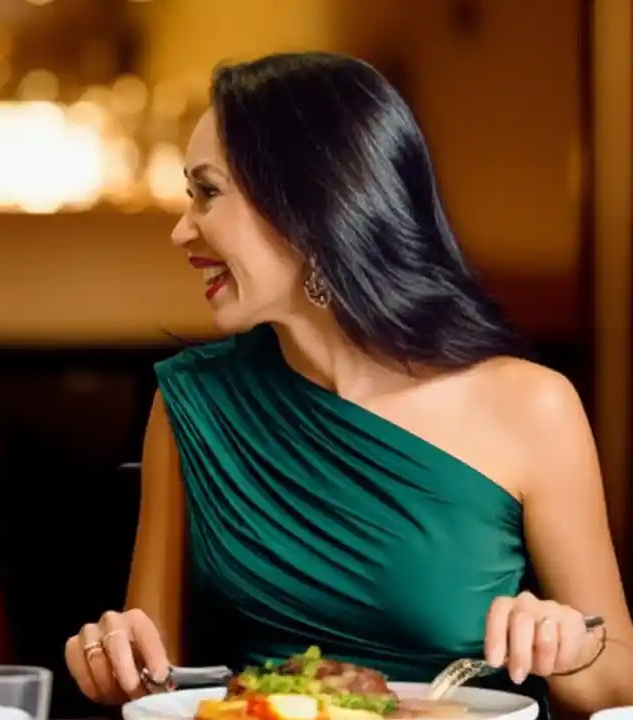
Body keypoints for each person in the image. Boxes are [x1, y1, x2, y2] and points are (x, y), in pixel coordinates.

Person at [64, 52, 633, 715]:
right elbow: (160, 684)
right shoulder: (193, 404)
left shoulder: (531, 406)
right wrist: (118, 658)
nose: (182, 229)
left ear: (308, 202)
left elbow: (620, 679)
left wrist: (573, 647)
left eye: (207, 193)